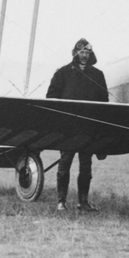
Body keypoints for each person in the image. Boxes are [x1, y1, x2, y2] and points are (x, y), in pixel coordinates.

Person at [46, 38, 109, 212]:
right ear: (75, 53)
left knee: (86, 165)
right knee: (65, 162)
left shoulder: (98, 75)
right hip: (68, 126)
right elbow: (51, 97)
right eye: (81, 52)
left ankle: (83, 201)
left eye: (87, 53)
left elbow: (104, 102)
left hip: (88, 127)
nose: (84, 56)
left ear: (91, 54)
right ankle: (61, 201)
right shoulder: (62, 73)